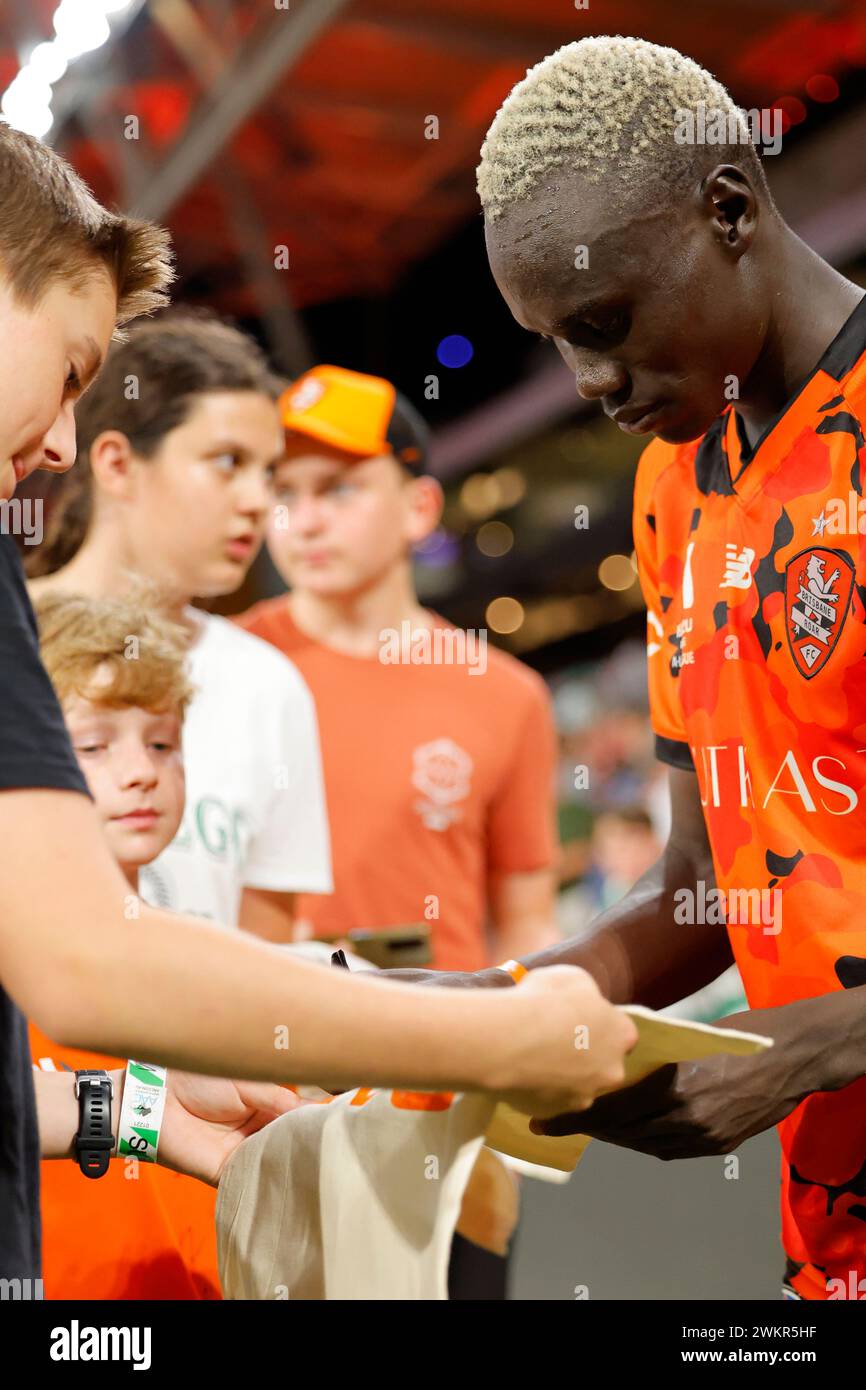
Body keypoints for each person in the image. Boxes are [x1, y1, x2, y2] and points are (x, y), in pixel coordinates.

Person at [0, 119, 637, 1286]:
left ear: (416, 504)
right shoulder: (73, 618)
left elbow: (296, 939)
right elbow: (81, 958)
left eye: (316, 483)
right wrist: (500, 1033)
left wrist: (130, 1108)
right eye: (72, 370)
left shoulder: (316, 686)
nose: (58, 441)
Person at [410, 34, 866, 1301]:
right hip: (830, 1244)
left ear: (729, 208)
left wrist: (818, 1042)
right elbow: (704, 889)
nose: (588, 381)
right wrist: (479, 1012)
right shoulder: (673, 489)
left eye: (602, 325)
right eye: (552, 339)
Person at [238, 364, 563, 1295]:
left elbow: (528, 924)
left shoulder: (506, 699)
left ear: (420, 507)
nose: (303, 518)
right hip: (261, 1101)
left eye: (338, 488)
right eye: (281, 491)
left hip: (445, 1111)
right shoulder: (214, 674)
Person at [27, 309, 332, 939]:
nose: (257, 500)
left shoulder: (268, 688)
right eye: (227, 461)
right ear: (115, 463)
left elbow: (263, 968)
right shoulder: (15, 640)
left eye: (267, 472)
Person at [30, 585, 249, 1300]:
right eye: (94, 745)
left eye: (163, 743)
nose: (140, 771)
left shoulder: (202, 963)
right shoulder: (21, 966)